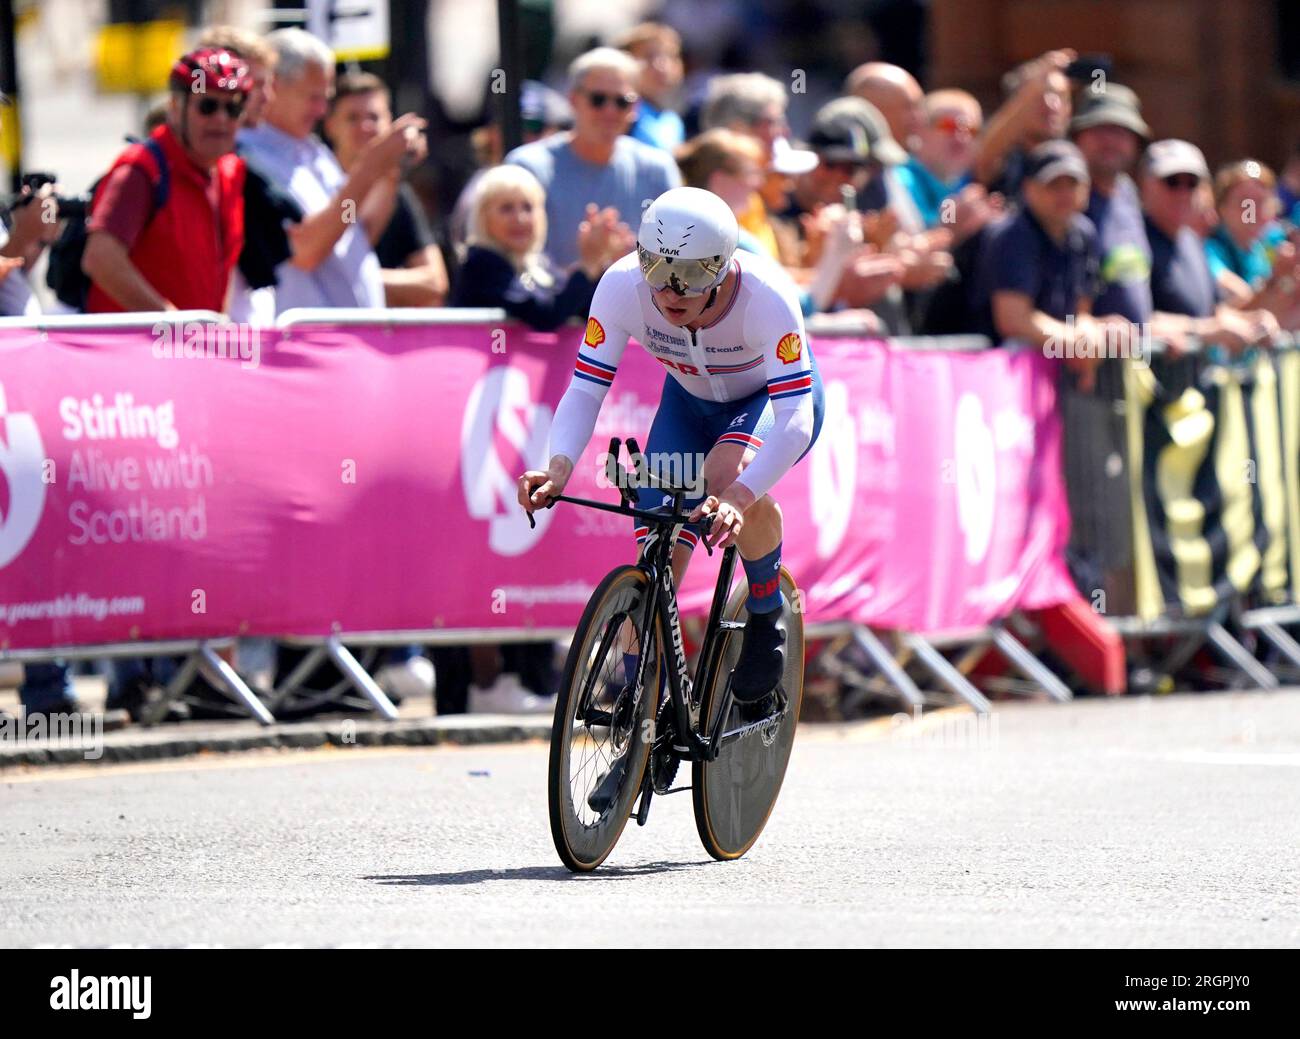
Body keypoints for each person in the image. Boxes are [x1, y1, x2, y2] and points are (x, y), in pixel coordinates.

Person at [517, 187, 825, 810]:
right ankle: (638, 732)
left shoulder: (765, 297)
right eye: (658, 270)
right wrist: (556, 468)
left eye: (688, 278)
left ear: (722, 268)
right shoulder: (621, 286)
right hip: (686, 405)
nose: (669, 292)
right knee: (658, 557)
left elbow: (795, 415)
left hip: (768, 404)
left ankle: (765, 610)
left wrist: (739, 494)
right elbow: (584, 389)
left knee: (723, 472)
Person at [240, 28, 427, 313]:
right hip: (307, 343)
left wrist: (389, 170)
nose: (322, 110)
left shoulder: (313, 150)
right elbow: (305, 251)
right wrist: (368, 169)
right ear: (275, 86)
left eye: (326, 97)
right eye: (313, 97)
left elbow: (352, 233)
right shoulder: (249, 155)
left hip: (349, 339)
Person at [81, 47, 250, 313]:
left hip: (196, 349)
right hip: (136, 349)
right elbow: (100, 259)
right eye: (207, 106)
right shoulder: (141, 170)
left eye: (233, 108)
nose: (221, 119)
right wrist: (172, 323)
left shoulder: (230, 173)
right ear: (175, 107)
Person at [505, 47, 679, 269]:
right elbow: (515, 263)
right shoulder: (528, 167)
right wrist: (589, 267)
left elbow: (675, 257)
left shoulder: (657, 168)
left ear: (635, 107)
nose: (610, 111)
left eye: (622, 101)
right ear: (574, 100)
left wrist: (630, 267)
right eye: (598, 99)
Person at [970, 139, 1116, 389]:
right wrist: (1076, 343)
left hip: (1048, 381)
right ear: (1028, 188)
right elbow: (1013, 320)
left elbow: (1080, 311)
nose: (1064, 194)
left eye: (1072, 183)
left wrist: (1092, 332)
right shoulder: (1010, 235)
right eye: (1053, 184)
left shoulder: (1085, 234)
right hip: (988, 380)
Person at [451, 164, 630, 329]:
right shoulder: (481, 263)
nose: (520, 219)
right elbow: (545, 315)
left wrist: (602, 263)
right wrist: (588, 264)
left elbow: (581, 308)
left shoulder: (540, 263)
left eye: (528, 208)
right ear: (484, 217)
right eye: (506, 208)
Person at [324, 72, 449, 307]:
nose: (365, 127)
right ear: (330, 126)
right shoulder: (319, 187)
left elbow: (434, 283)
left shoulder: (398, 193)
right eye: (352, 118)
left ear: (389, 122)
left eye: (374, 116)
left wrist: (362, 280)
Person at [616, 22, 685, 151]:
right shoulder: (621, 112)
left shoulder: (672, 120)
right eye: (649, 56)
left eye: (670, 56)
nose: (662, 66)